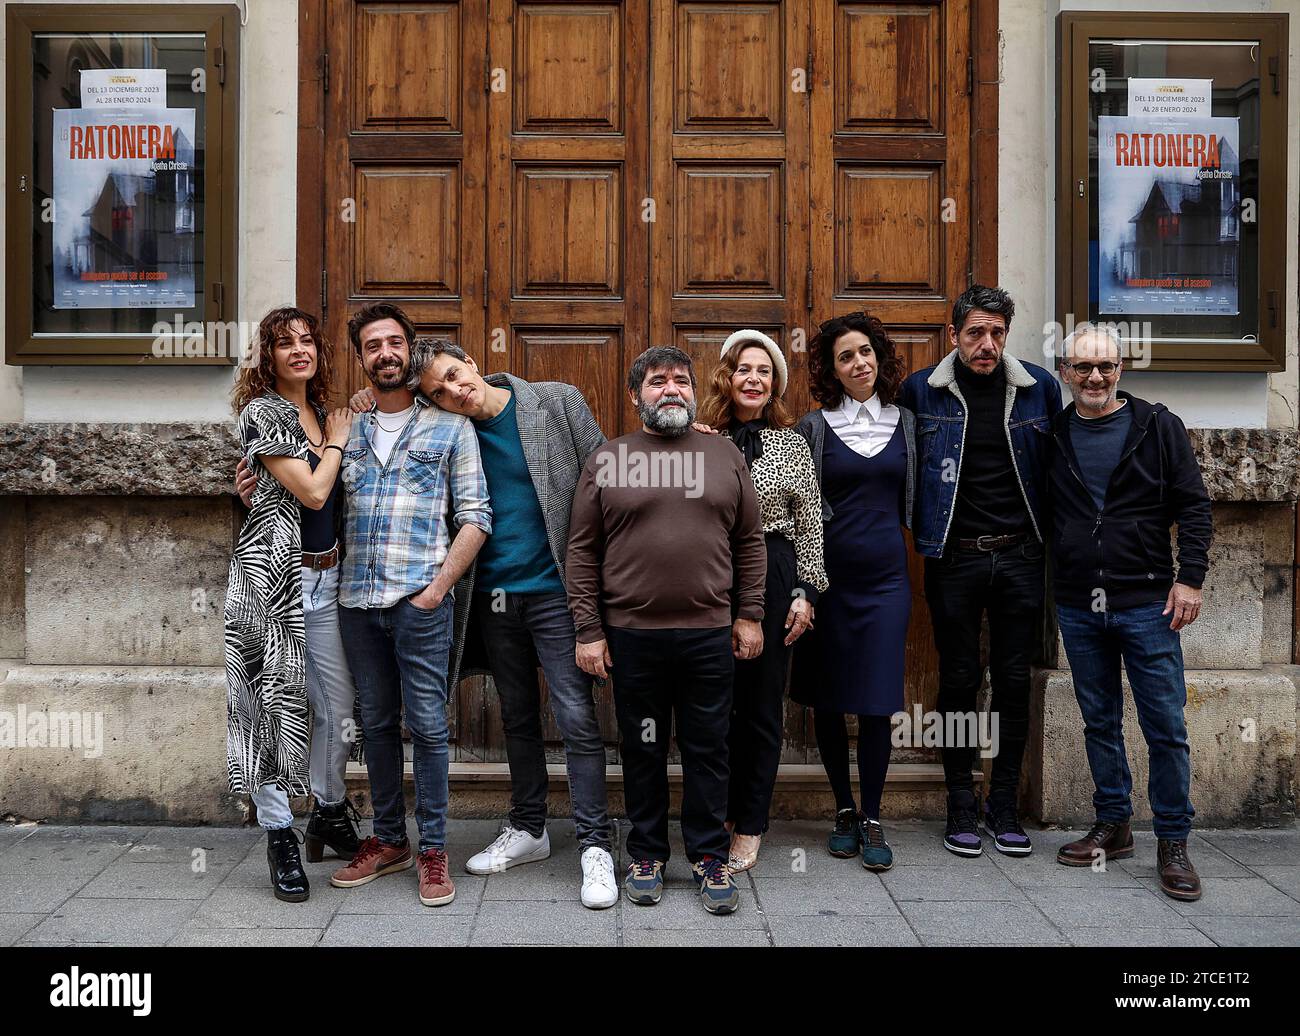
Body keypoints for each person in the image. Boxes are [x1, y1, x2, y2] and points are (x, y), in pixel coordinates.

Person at [348, 342, 618, 909]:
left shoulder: (554, 401)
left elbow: (608, 483)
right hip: (493, 596)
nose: (452, 392)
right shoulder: (450, 430)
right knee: (516, 714)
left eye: (452, 376)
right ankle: (529, 829)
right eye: (438, 392)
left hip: (556, 590)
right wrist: (363, 401)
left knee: (572, 712)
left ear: (469, 361)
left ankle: (595, 843)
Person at [566, 346, 767, 915]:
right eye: (658, 382)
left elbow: (750, 541)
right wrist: (588, 630)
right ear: (636, 396)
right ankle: (647, 853)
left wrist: (749, 613)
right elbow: (581, 551)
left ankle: (708, 856)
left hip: (708, 633)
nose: (672, 389)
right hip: (633, 637)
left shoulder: (723, 454)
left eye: (681, 381)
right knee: (643, 747)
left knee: (709, 747)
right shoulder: (608, 458)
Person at [313, 303, 491, 908]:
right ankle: (388, 840)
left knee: (430, 727)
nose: (384, 353)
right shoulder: (342, 430)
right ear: (360, 357)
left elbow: (476, 516)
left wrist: (436, 589)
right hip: (356, 603)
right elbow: (308, 499)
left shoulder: (449, 428)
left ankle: (434, 848)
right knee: (378, 724)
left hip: (420, 602)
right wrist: (249, 486)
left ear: (408, 351)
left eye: (394, 343)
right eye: (372, 345)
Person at [1049, 324, 1212, 901]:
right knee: (1099, 720)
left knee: (1165, 726)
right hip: (1078, 603)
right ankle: (1113, 825)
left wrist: (1189, 578)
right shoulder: (1054, 431)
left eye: (1107, 367)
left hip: (1147, 602)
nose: (1095, 378)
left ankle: (1173, 841)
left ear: (1121, 369)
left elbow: (1194, 506)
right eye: (1083, 368)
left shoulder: (1157, 426)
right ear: (1065, 371)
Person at [899, 285, 1060, 858]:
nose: (986, 345)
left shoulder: (1039, 388)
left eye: (996, 333)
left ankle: (1004, 806)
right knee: (959, 679)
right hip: (955, 554)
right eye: (975, 333)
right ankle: (961, 803)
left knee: (1014, 680)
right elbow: (906, 470)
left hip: (1021, 555)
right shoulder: (923, 390)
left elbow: (1059, 470)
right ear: (954, 335)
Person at [224, 306, 362, 902]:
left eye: (307, 341)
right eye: (285, 344)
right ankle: (280, 834)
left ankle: (329, 810)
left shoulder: (325, 412)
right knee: (272, 708)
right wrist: (335, 442)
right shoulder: (265, 411)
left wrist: (337, 428)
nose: (299, 350)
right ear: (268, 356)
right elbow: (311, 490)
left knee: (338, 702)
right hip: (270, 582)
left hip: (328, 579)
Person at [696, 330, 826, 872]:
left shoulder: (791, 443)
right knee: (711, 707)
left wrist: (804, 592)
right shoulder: (699, 439)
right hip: (706, 574)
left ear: (774, 384)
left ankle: (750, 823)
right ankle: (717, 815)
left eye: (764, 372)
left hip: (772, 572)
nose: (754, 379)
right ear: (729, 377)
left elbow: (810, 523)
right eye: (745, 369)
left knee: (760, 707)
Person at [791, 312, 915, 871]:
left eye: (865, 352)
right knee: (830, 695)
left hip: (888, 582)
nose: (858, 363)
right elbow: (791, 506)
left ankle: (871, 814)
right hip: (827, 583)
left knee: (877, 700)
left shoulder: (908, 422)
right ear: (832, 370)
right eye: (845, 357)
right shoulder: (810, 429)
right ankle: (842, 808)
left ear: (879, 357)